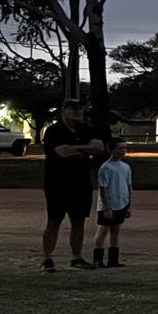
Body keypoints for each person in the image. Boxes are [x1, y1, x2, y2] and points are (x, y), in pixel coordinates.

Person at [40, 98, 106, 273]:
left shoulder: (86, 129)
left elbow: (99, 148)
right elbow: (63, 152)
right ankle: (47, 258)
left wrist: (74, 148)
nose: (78, 112)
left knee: (78, 221)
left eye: (80, 109)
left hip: (81, 182)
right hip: (57, 182)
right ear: (64, 110)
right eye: (73, 109)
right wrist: (85, 149)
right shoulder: (54, 131)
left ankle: (76, 257)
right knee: (54, 220)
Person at [92, 139, 133, 268]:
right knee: (103, 230)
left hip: (121, 203)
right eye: (120, 148)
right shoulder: (106, 167)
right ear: (112, 150)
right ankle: (97, 259)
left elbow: (128, 186)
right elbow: (103, 188)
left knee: (115, 230)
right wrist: (106, 207)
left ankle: (113, 259)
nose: (123, 151)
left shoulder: (126, 167)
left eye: (125, 148)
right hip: (109, 204)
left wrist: (129, 205)